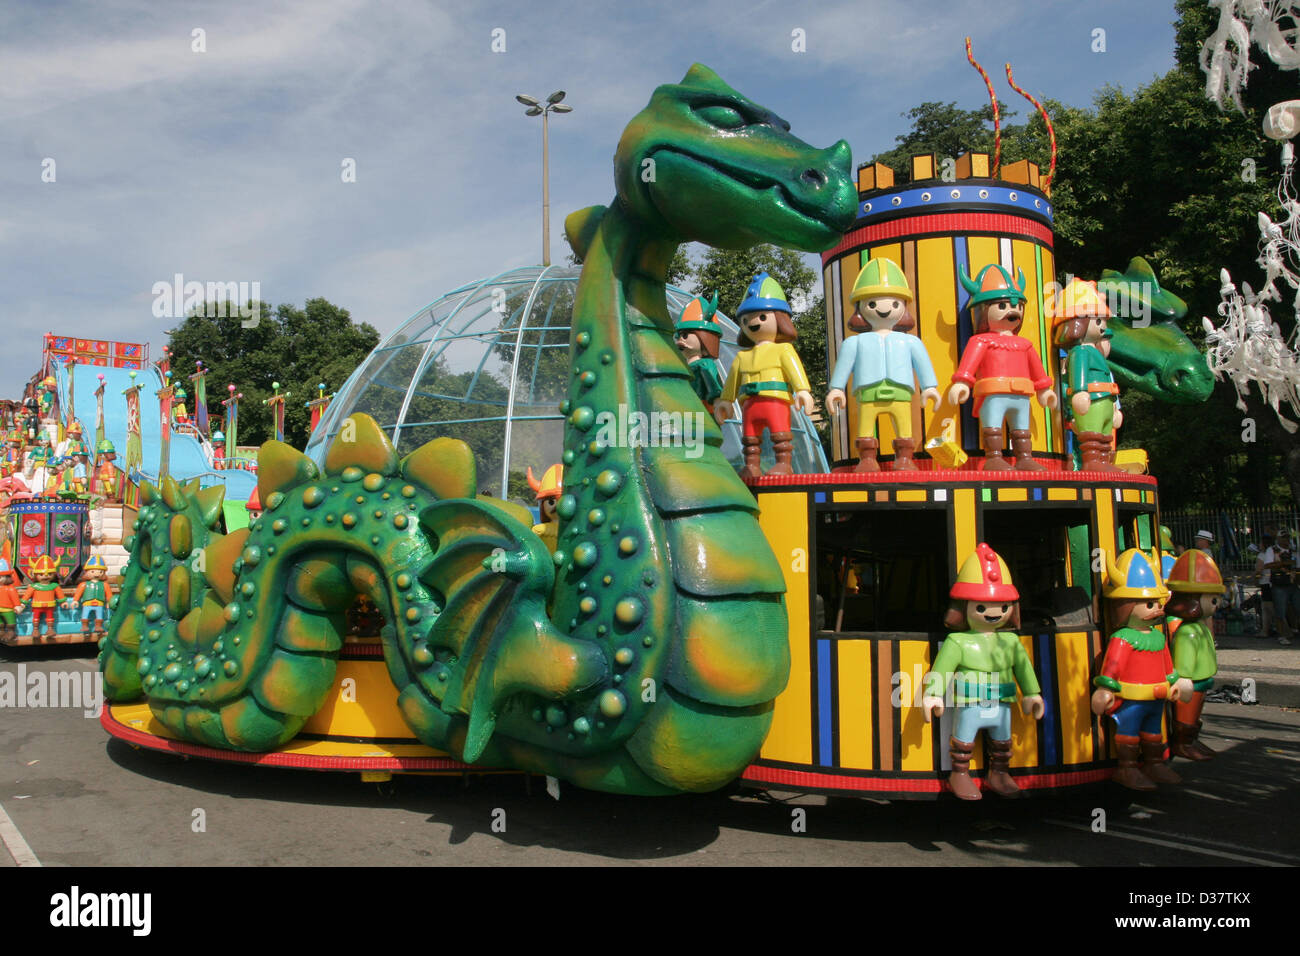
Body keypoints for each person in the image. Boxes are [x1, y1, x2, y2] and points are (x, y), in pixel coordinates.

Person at [923, 543, 1044, 800]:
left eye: (1002, 607)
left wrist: (1032, 693)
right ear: (963, 607)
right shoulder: (958, 642)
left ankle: (999, 773)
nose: (993, 613)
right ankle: (960, 774)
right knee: (963, 740)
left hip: (1001, 700)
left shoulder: (1010, 642)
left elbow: (1023, 668)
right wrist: (933, 694)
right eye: (981, 607)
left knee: (1002, 742)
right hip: (970, 700)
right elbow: (942, 670)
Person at [826, 258, 939, 472]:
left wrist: (929, 386)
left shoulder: (910, 342)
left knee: (904, 427)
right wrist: (836, 389)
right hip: (869, 393)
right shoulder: (854, 342)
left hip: (900, 392)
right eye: (872, 304)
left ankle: (905, 458)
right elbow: (844, 367)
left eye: (895, 303)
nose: (885, 309)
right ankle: (867, 460)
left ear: (903, 307)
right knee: (866, 427)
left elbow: (923, 364)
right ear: (860, 308)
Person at [1092, 549, 1190, 790]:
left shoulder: (1157, 637)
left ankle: (1153, 763)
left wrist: (1174, 681)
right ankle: (1127, 768)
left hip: (1156, 696)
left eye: (1158, 603)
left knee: (1152, 732)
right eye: (1149, 604)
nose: (1157, 609)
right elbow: (1112, 667)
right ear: (1125, 606)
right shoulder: (1123, 638)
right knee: (1129, 732)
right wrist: (1105, 689)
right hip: (1131, 699)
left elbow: (1167, 665)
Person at [947, 264, 1058, 470]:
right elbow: (969, 365)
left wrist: (1044, 390)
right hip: (993, 392)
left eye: (1016, 306)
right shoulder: (981, 341)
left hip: (1022, 394)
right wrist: (962, 383)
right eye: (1002, 306)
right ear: (982, 311)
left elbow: (1037, 369)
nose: (1012, 311)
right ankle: (994, 457)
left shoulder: (1024, 344)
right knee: (993, 427)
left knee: (1021, 429)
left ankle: (1024, 457)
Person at [715, 273, 814, 480]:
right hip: (749, 404)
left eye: (761, 317)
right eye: (746, 319)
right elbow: (733, 380)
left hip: (774, 400)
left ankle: (783, 464)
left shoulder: (783, 350)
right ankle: (751, 466)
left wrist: (802, 390)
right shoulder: (742, 356)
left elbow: (794, 370)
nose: (753, 323)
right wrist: (726, 400)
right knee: (750, 438)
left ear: (779, 319)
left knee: (781, 434)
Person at [1051, 279, 1123, 472]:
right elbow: (1078, 373)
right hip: (1091, 399)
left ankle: (1103, 462)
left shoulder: (1093, 353)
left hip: (1105, 400)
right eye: (1098, 321)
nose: (1102, 327)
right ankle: (1092, 463)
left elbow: (1107, 377)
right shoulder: (1080, 351)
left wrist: (1115, 408)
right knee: (1092, 435)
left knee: (1104, 435)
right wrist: (1080, 391)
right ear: (1079, 323)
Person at [673, 293, 725, 413]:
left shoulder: (705, 364)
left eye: (685, 335)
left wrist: (717, 401)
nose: (680, 340)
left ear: (705, 337)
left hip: (702, 410)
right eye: (679, 336)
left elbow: (713, 385)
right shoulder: (682, 367)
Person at [1259, 529, 1297, 645]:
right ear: (1278, 539)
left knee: (1297, 607)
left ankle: (1294, 629)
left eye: (1287, 537)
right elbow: (1267, 565)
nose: (1286, 539)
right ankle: (1281, 635)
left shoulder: (1293, 550)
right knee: (1280, 611)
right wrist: (1283, 563)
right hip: (1278, 584)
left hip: (1293, 584)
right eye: (1283, 537)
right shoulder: (1272, 550)